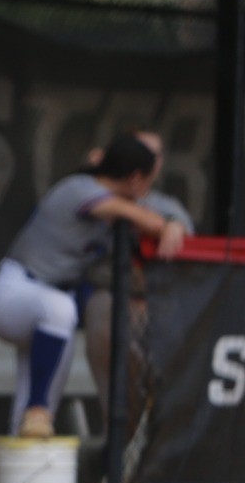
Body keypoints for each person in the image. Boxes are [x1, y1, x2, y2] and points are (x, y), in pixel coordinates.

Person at [0, 133, 185, 439]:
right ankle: (37, 407)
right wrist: (164, 224)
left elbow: (167, 212)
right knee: (60, 309)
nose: (147, 190)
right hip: (14, 293)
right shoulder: (77, 188)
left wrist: (175, 222)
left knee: (34, 425)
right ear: (134, 178)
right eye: (145, 178)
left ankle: (27, 456)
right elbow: (140, 216)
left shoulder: (118, 196)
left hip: (50, 316)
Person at [82, 129, 192, 436]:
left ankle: (148, 453)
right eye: (140, 151)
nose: (147, 161)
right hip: (108, 295)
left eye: (154, 156)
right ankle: (118, 450)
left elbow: (184, 236)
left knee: (157, 391)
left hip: (153, 302)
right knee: (115, 401)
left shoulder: (165, 204)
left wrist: (171, 227)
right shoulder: (93, 191)